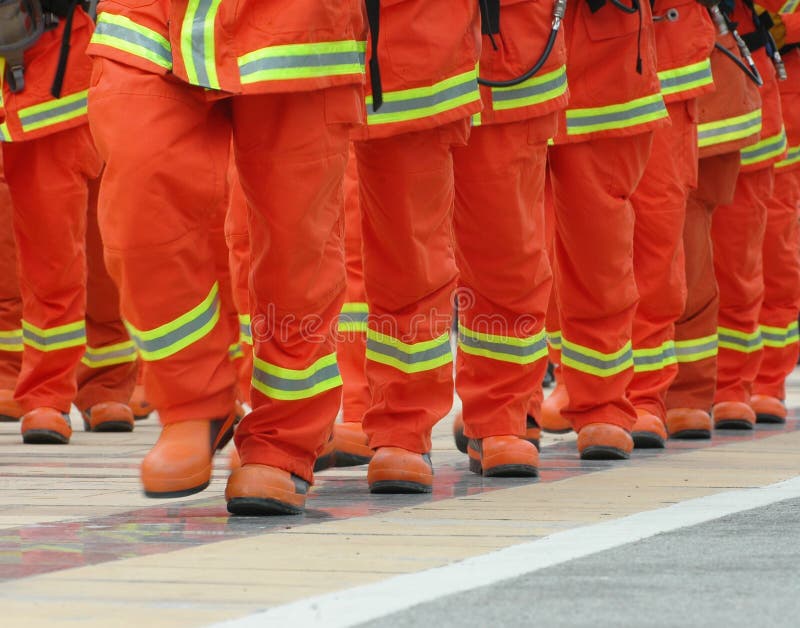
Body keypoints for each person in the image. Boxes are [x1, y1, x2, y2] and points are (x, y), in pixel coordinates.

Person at [87, 0, 365, 513]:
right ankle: (195, 405)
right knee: (139, 202)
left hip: (301, 19)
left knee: (296, 242)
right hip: (151, 14)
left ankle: (285, 437)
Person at [0, 2, 131, 443]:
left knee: (97, 247)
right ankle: (46, 392)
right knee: (47, 250)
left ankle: (100, 383)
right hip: (35, 68)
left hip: (68, 63)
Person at [665, 5, 764, 437]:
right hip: (627, 76)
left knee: (717, 260)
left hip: (705, 78)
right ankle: (626, 396)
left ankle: (716, 388)